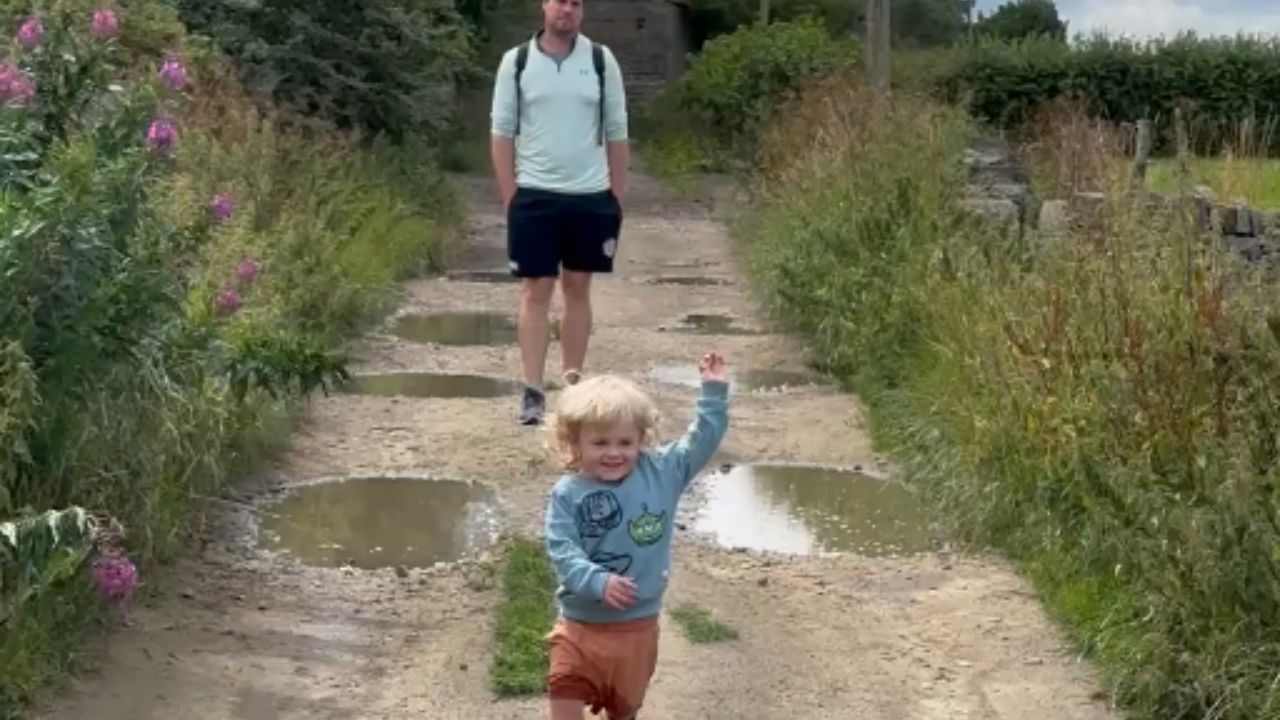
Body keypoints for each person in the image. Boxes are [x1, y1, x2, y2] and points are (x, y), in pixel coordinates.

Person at [542, 352, 730, 720]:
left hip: (636, 627)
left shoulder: (662, 473)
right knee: (563, 695)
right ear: (574, 441)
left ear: (641, 439)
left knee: (624, 709)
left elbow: (702, 439)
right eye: (600, 443)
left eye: (625, 443)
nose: (614, 453)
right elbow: (562, 550)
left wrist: (713, 392)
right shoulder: (567, 494)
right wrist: (596, 581)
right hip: (579, 626)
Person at [489, 0, 630, 425]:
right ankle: (532, 390)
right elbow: (501, 131)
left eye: (575, 3)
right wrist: (510, 195)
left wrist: (615, 196)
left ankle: (573, 389)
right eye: (559, 1)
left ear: (581, 10)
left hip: (589, 194)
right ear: (544, 7)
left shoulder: (602, 62)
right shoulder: (516, 63)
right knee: (536, 289)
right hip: (534, 194)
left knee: (577, 286)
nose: (566, 10)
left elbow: (617, 132)